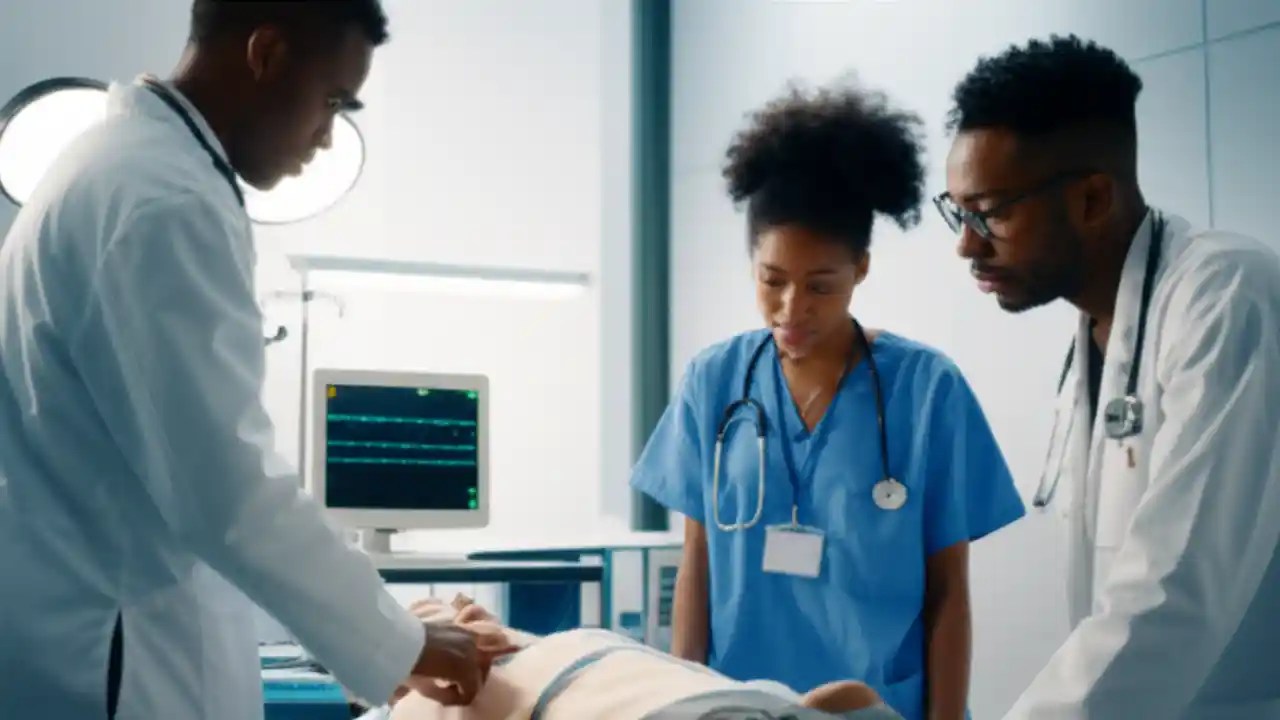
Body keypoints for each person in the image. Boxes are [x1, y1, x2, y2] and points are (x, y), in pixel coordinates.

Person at [0, 2, 491, 718]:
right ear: (264, 54)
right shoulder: (162, 201)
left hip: (81, 633)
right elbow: (227, 491)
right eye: (331, 101)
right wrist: (404, 641)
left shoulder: (109, 165)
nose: (327, 137)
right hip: (122, 663)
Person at [629, 79, 1026, 720]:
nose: (792, 310)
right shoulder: (715, 380)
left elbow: (949, 592)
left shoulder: (926, 390)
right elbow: (696, 563)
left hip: (878, 707)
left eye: (820, 285)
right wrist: (691, 699)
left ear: (860, 269)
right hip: (742, 705)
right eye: (772, 280)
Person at [936, 34, 1280, 718]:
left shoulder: (1225, 294)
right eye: (959, 210)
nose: (967, 244)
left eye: (992, 212)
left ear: (1093, 198)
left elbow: (1177, 586)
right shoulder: (1099, 333)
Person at [362, 594, 905, 720]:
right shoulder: (423, 706)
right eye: (435, 612)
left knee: (833, 699)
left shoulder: (564, 641)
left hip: (704, 699)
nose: (462, 608)